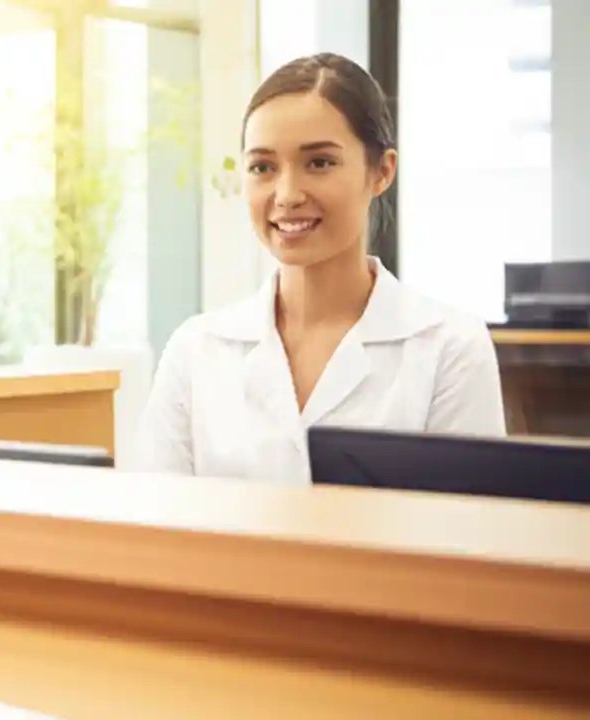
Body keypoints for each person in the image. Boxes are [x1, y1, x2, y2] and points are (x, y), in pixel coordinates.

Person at [136, 53, 505, 483]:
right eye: (263, 168)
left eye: (319, 163)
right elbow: (155, 527)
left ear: (381, 172)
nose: (287, 194)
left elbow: (467, 534)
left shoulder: (450, 347)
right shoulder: (196, 349)